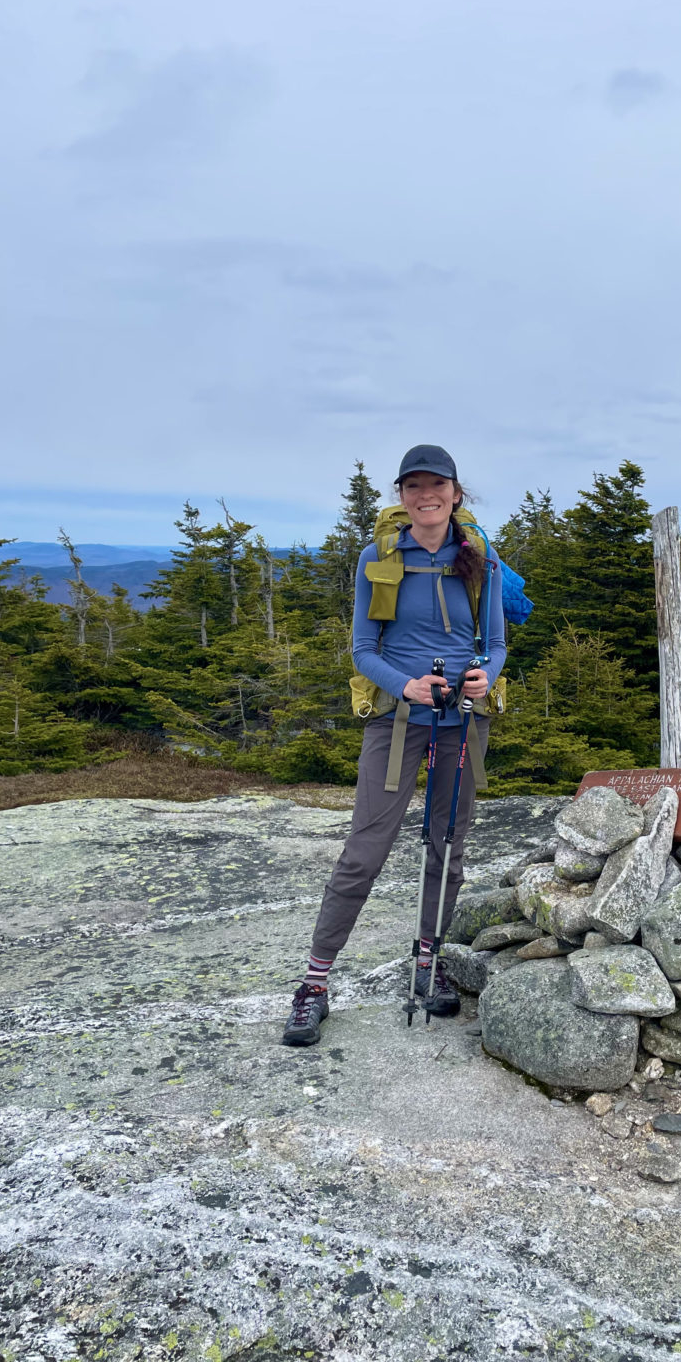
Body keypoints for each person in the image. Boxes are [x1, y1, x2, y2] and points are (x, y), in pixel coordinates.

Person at [282, 445, 506, 1046]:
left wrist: (485, 673)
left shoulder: (480, 556)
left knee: (447, 844)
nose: (425, 495)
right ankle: (314, 984)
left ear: (457, 493)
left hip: (463, 717)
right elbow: (362, 649)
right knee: (364, 850)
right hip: (396, 719)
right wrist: (406, 684)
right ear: (402, 495)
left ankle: (428, 965)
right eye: (414, 486)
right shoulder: (377, 556)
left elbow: (498, 641)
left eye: (437, 485)